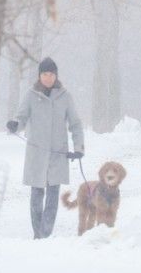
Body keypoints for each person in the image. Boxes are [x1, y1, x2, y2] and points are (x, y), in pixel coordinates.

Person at [6, 57, 84, 239]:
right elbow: (21, 117)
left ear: (56, 76)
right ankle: (37, 233)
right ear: (40, 75)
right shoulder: (31, 95)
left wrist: (78, 147)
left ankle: (45, 233)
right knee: (36, 193)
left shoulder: (65, 96)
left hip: (58, 153)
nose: (48, 78)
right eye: (44, 74)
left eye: (51, 74)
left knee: (52, 195)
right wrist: (14, 125)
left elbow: (76, 124)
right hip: (37, 153)